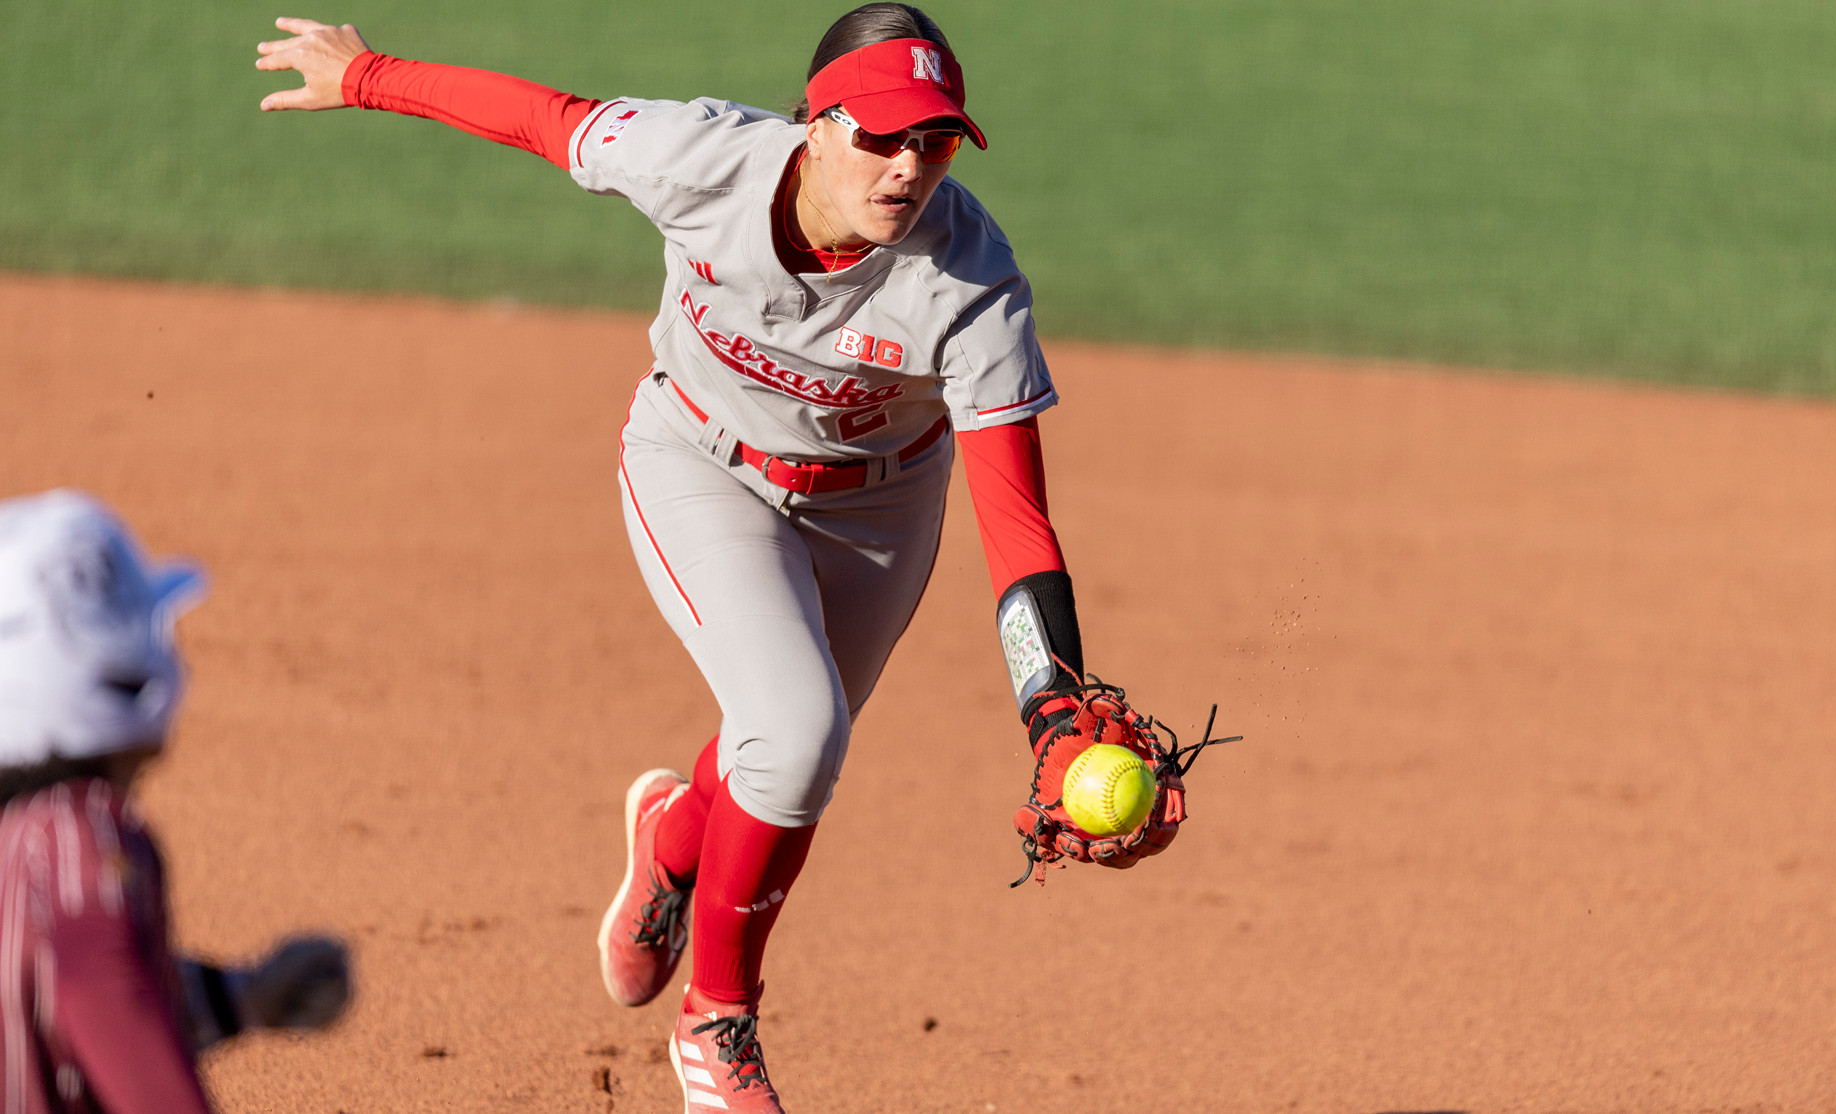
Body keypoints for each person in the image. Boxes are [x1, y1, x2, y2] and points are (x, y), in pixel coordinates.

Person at [255, 7, 1207, 1110]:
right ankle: (718, 1024)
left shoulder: (972, 282)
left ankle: (670, 846)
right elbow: (540, 119)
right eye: (882, 137)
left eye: (935, 143)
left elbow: (1015, 513)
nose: (908, 169)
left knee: (780, 741)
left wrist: (1051, 707)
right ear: (817, 122)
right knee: (797, 732)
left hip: (880, 513)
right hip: (701, 464)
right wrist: (366, 74)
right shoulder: (697, 160)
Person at [0, 489, 352, 1113]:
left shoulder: (17, 839)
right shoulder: (77, 839)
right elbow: (96, 986)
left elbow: (44, 993)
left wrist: (241, 998)